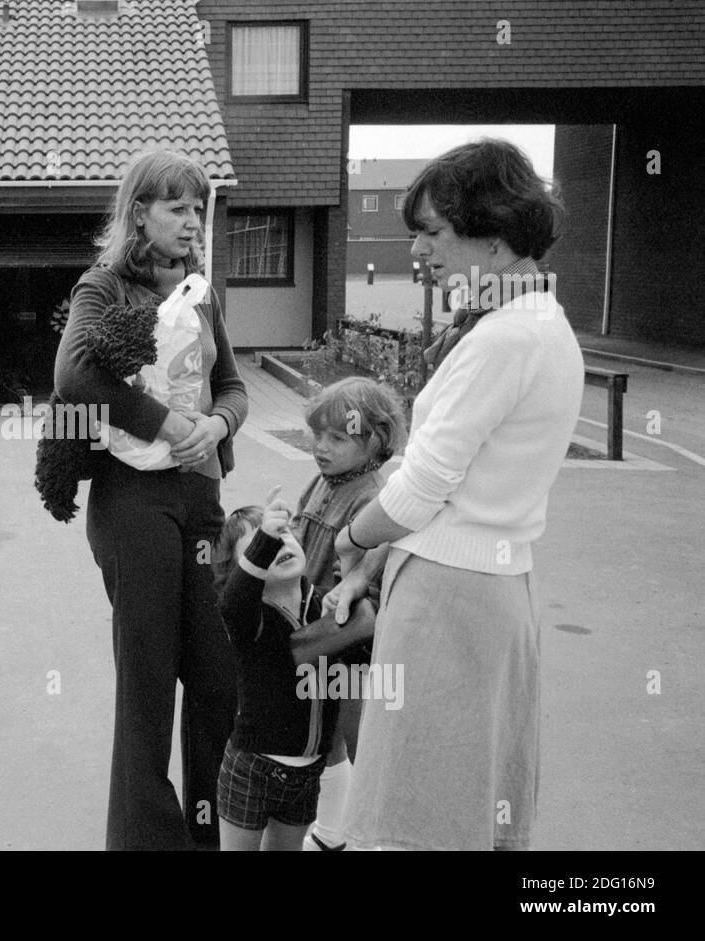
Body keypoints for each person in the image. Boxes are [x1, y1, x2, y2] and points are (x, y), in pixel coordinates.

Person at [325, 138, 581, 850]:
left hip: (451, 602)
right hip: (492, 587)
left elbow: (420, 490)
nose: (421, 252)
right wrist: (374, 565)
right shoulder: (539, 323)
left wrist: (346, 538)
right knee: (463, 808)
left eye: (434, 233)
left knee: (418, 818)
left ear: (493, 240)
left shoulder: (503, 341)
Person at [54, 148, 248, 850]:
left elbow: (232, 385)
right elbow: (74, 374)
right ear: (139, 212)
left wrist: (217, 425)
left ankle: (205, 830)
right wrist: (167, 424)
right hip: (133, 500)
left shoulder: (201, 292)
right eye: (177, 207)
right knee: (148, 687)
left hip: (200, 498)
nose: (193, 220)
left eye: (198, 207)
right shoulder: (102, 287)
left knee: (216, 676)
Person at [211, 493, 376, 851]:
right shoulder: (250, 619)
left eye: (284, 534)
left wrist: (354, 617)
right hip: (252, 769)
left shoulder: (322, 605)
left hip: (308, 772)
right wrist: (265, 540)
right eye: (260, 546)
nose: (278, 544)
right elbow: (233, 600)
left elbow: (357, 665)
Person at [290, 377, 408, 851]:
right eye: (318, 435)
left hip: (348, 639)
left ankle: (375, 836)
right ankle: (333, 832)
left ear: (375, 441)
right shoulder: (322, 481)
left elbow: (373, 573)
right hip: (313, 629)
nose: (321, 447)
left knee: (358, 737)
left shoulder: (372, 496)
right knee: (328, 736)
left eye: (337, 438)